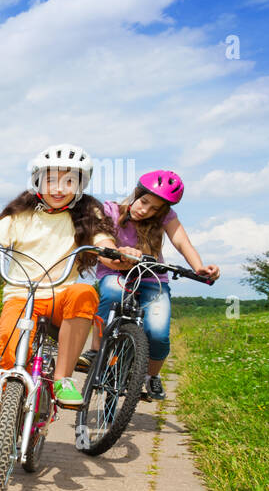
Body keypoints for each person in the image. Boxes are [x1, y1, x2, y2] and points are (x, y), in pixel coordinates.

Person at [0, 143, 130, 460]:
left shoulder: (88, 214)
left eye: (68, 180)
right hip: (22, 293)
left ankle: (63, 380)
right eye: (51, 179)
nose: (58, 188)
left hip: (63, 294)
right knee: (7, 359)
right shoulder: (18, 215)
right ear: (38, 181)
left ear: (80, 184)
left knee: (85, 292)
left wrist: (115, 252)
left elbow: (103, 240)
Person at [78, 170, 220, 401]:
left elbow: (181, 241)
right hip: (116, 273)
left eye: (154, 209)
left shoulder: (166, 217)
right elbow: (100, 239)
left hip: (152, 278)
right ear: (136, 193)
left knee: (158, 333)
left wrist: (199, 267)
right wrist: (118, 254)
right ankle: (96, 350)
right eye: (144, 202)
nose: (145, 210)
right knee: (113, 293)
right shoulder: (110, 211)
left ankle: (151, 376)